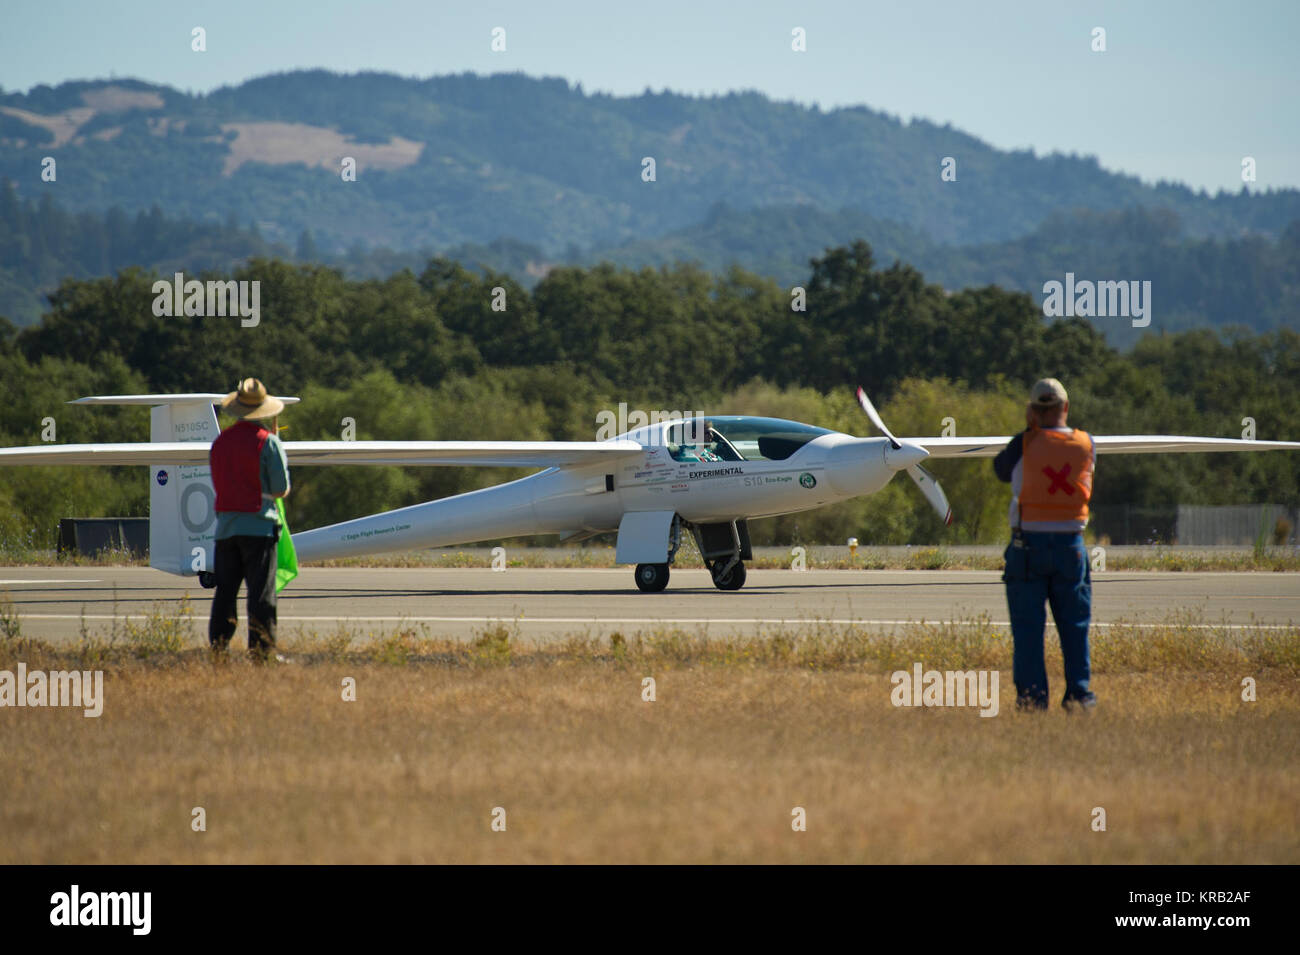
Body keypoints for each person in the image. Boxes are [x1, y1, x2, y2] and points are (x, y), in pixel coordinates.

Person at [993, 378, 1098, 712]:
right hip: (1071, 547)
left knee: (1027, 631)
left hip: (1028, 549)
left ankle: (1032, 700)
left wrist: (1030, 430)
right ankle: (1079, 697)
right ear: (1065, 407)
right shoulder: (1086, 443)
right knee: (1075, 627)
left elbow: (1000, 471)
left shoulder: (1022, 443)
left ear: (1033, 410)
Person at [207, 378, 291, 662]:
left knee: (225, 593)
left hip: (226, 529)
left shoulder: (220, 443)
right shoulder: (269, 443)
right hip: (259, 527)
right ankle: (262, 653)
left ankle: (219, 649)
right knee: (261, 594)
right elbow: (280, 489)